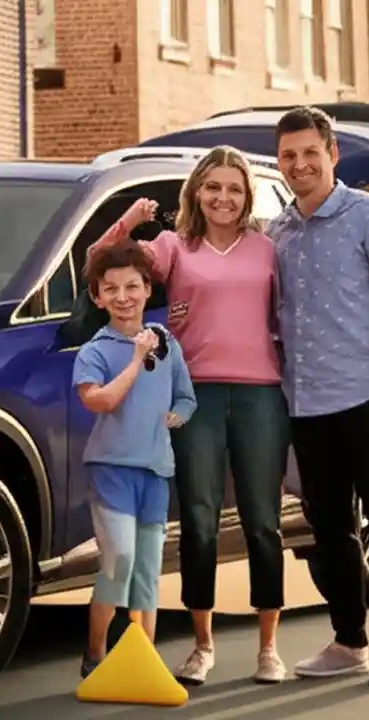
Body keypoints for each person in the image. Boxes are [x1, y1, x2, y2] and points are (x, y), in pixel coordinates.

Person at [88, 147, 290, 686]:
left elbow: (292, 315)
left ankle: (269, 647)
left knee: (262, 521)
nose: (224, 198)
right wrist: (131, 219)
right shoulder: (174, 247)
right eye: (213, 187)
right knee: (199, 522)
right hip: (193, 397)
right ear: (196, 192)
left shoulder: (268, 250)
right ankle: (202, 645)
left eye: (234, 188)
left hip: (260, 397)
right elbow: (104, 261)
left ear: (246, 196)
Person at [267, 106, 369, 686]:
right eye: (289, 155)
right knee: (328, 528)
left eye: (311, 152)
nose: (300, 164)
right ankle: (349, 640)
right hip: (305, 405)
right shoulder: (277, 232)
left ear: (332, 155)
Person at [71, 242, 197, 679]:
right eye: (111, 289)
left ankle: (143, 660)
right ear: (98, 297)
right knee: (118, 560)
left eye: (131, 286)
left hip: (156, 472)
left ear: (147, 290)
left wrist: (179, 415)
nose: (122, 297)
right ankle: (95, 654)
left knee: (146, 570)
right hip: (111, 471)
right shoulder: (95, 351)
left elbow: (187, 396)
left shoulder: (168, 343)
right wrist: (136, 358)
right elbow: (100, 401)